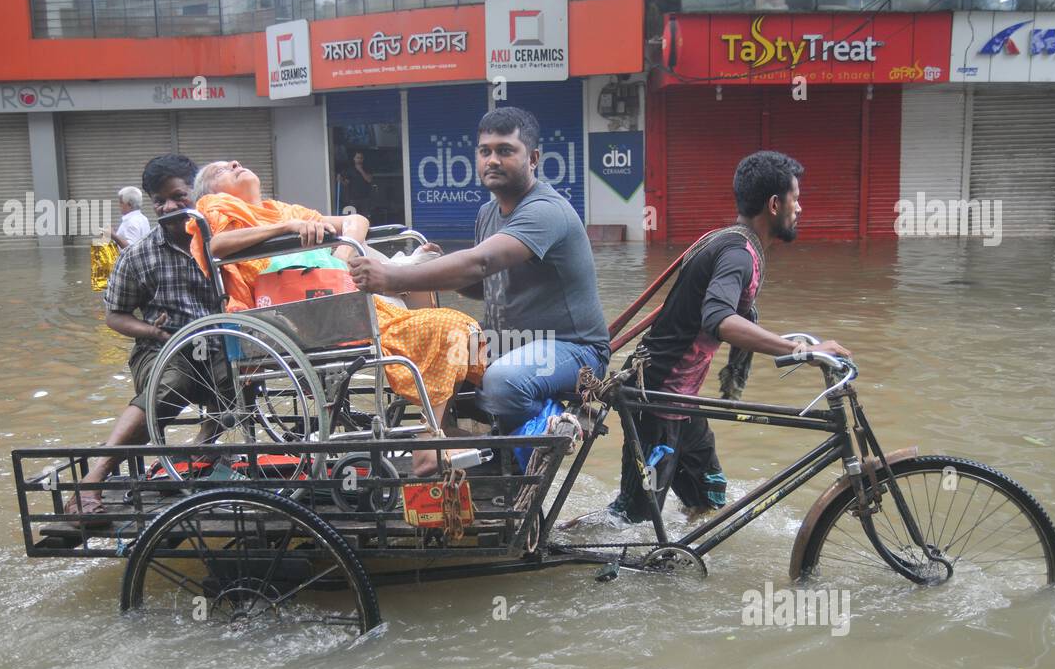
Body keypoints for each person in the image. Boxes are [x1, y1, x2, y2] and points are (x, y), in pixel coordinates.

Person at [187, 159, 487, 476]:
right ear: (212, 189)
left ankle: (438, 431)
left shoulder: (280, 208)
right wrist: (286, 229)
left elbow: (355, 219)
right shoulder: (216, 206)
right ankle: (429, 444)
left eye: (234, 163)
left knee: (460, 329)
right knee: (451, 327)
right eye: (221, 170)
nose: (235, 164)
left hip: (336, 299)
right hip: (294, 316)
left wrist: (343, 254)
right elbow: (214, 246)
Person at [607, 150, 852, 523]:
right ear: (774, 204)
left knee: (709, 497)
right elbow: (719, 318)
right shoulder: (738, 253)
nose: (799, 208)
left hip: (682, 404)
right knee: (631, 522)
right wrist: (800, 350)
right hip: (655, 399)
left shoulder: (733, 243)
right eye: (796, 199)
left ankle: (676, 558)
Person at [349, 107, 609, 433]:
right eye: (485, 151)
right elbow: (481, 283)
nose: (492, 160)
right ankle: (444, 445)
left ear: (533, 158)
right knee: (437, 348)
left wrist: (391, 277)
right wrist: (430, 269)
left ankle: (540, 428)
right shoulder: (487, 213)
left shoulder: (546, 211)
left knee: (501, 384)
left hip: (573, 348)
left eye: (505, 151)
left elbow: (478, 263)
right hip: (510, 341)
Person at [66, 154, 220, 516]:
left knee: (247, 368)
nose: (169, 207)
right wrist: (152, 330)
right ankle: (95, 478)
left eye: (179, 196)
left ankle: (206, 442)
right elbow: (114, 316)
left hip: (218, 344)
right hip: (161, 348)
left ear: (198, 194)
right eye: (159, 200)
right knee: (171, 385)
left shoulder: (224, 242)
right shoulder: (137, 256)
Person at [105, 185, 150, 250]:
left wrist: (113, 235)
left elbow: (131, 249)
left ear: (129, 204)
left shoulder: (132, 222)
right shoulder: (142, 218)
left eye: (121, 202)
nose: (119, 205)